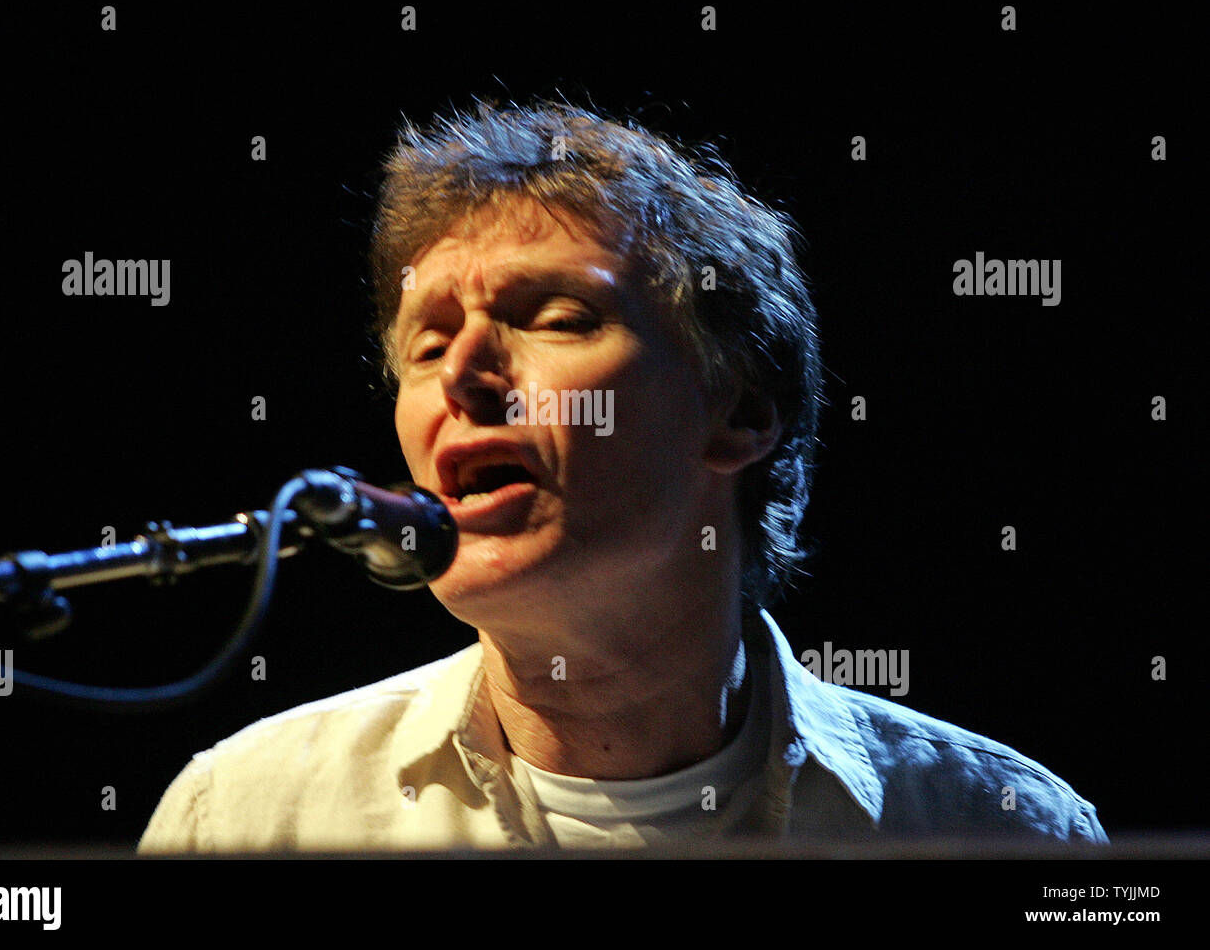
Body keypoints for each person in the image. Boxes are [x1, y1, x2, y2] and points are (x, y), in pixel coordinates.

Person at [138, 101, 1106, 852]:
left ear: (739, 413)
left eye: (555, 319)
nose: (463, 375)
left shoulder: (997, 828)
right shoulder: (250, 814)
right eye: (427, 344)